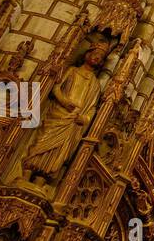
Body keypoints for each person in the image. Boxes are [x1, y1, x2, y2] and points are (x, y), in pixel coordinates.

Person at [22, 45, 109, 183]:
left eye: (101, 57)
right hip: (59, 113)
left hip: (73, 121)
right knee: (42, 141)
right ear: (87, 54)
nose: (97, 57)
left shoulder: (95, 84)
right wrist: (64, 101)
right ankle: (26, 173)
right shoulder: (72, 70)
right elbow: (56, 87)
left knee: (59, 151)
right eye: (95, 53)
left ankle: (41, 180)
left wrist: (83, 118)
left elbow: (92, 108)